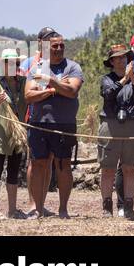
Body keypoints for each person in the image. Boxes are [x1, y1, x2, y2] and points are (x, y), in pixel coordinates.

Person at [23, 31, 83, 219]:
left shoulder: (73, 67)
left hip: (64, 123)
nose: (58, 49)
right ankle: (38, 209)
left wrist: (47, 83)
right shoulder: (37, 68)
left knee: (63, 165)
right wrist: (54, 87)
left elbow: (72, 90)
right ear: (47, 47)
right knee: (38, 164)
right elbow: (28, 96)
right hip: (39, 123)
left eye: (61, 46)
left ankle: (63, 209)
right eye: (54, 46)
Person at [99, 44, 134, 219]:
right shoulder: (106, 78)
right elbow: (108, 93)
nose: (121, 60)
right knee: (108, 168)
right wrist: (123, 80)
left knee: (130, 167)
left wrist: (131, 77)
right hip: (110, 124)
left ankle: (128, 207)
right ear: (111, 61)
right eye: (117, 58)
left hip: (133, 124)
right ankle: (106, 207)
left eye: (124, 57)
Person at [0, 48, 27, 219]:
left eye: (15, 63)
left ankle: (13, 209)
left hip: (17, 134)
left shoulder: (22, 83)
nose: (13, 66)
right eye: (9, 63)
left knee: (14, 170)